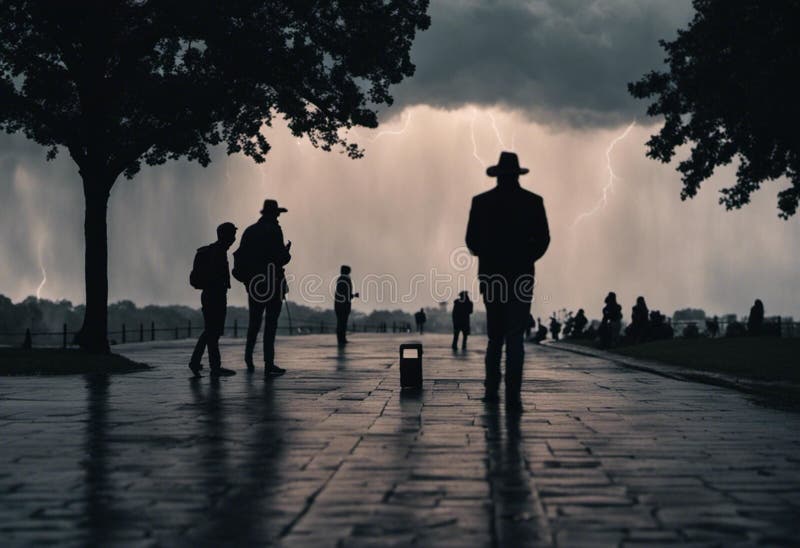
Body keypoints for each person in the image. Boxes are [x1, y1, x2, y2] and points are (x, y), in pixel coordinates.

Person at [466, 151, 550, 413]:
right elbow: (544, 239)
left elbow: (471, 241)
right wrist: (527, 257)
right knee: (515, 336)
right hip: (521, 275)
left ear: (498, 175)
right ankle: (513, 395)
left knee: (495, 337)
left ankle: (492, 390)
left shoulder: (481, 202)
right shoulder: (533, 202)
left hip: (491, 275)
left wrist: (488, 254)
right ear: (517, 174)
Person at [233, 199, 291, 378]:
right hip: (272, 283)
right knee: (270, 324)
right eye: (277, 214)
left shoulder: (250, 231)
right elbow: (280, 258)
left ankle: (248, 357)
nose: (279, 217)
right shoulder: (275, 230)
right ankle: (268, 362)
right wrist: (287, 252)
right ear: (274, 214)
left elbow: (240, 256)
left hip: (255, 284)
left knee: (254, 322)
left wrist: (248, 280)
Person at [189, 222, 237, 377]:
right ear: (226, 236)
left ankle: (197, 362)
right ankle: (214, 366)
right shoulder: (218, 252)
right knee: (213, 332)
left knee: (211, 331)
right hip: (215, 296)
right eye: (232, 235)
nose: (234, 238)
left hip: (210, 295)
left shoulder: (213, 251)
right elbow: (217, 277)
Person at [334, 265, 359, 346]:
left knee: (340, 322)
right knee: (342, 322)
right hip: (344, 305)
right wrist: (354, 295)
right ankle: (342, 339)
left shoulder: (340, 279)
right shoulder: (345, 280)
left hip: (339, 305)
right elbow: (346, 294)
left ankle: (341, 338)